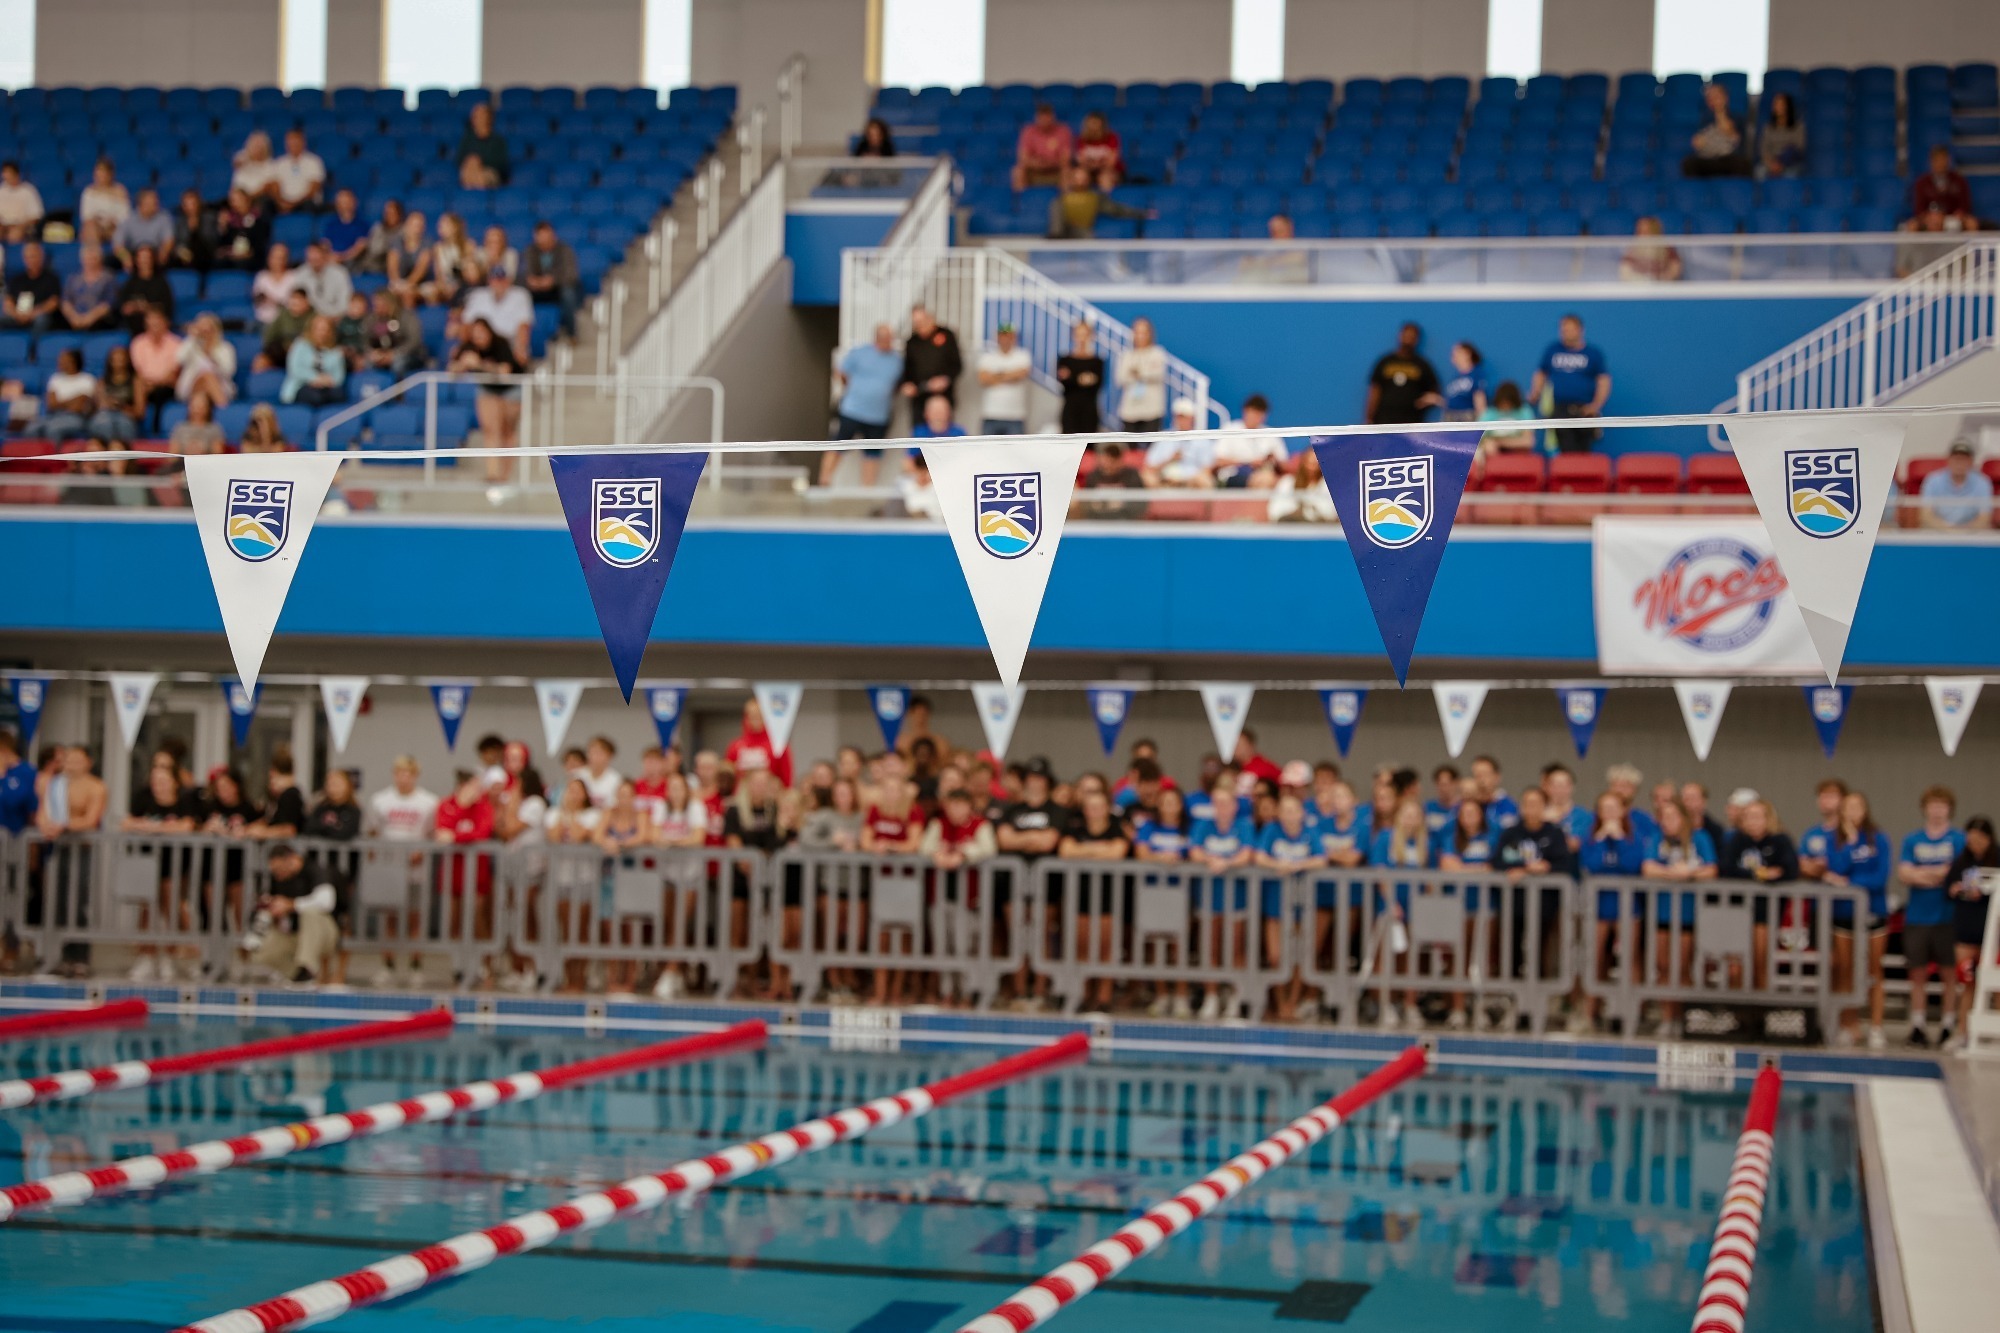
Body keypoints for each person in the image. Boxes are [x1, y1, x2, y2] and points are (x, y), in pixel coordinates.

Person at [1897, 786, 1966, 1047]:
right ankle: (1917, 1023)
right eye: (1933, 805)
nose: (1937, 810)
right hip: (1917, 915)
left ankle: (1948, 1024)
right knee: (1918, 974)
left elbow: (1956, 873)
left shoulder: (1958, 839)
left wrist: (1922, 873)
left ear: (1949, 809)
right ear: (1925, 808)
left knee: (1950, 974)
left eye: (1942, 805)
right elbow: (1904, 874)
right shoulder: (1913, 839)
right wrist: (1938, 874)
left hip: (1948, 916)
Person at [241, 844, 346, 985]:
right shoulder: (279, 880)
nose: (278, 875)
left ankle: (308, 967)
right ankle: (299, 976)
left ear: (290, 859)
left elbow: (326, 902)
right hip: (296, 935)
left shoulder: (315, 870)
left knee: (310, 913)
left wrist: (291, 905)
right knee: (261, 952)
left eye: (279, 869)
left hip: (326, 932)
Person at [823, 321, 902, 487]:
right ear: (876, 338)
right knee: (838, 445)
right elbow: (840, 371)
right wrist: (854, 387)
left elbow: (895, 384)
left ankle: (867, 492)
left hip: (878, 416)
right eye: (884, 338)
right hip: (852, 410)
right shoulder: (860, 352)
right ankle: (824, 482)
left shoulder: (896, 360)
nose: (888, 341)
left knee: (872, 454)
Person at [451, 318, 524, 495]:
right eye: (475, 334)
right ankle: (492, 474)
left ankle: (505, 476)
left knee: (508, 431)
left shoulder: (501, 344)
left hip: (510, 389)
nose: (478, 337)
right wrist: (462, 363)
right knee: (490, 429)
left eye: (481, 333)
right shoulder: (468, 347)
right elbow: (452, 370)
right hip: (487, 389)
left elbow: (505, 373)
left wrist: (479, 364)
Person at [1947, 816, 1997, 1047]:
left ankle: (1994, 1032)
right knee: (1966, 982)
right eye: (1971, 839)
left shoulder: (1997, 860)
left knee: (1995, 984)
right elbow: (1948, 888)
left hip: (1993, 931)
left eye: (1979, 839)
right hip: (1966, 931)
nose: (1974, 843)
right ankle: (1962, 1031)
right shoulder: (1961, 862)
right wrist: (1957, 889)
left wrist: (1985, 892)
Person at [1528, 313, 1611, 452]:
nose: (1566, 333)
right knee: (1566, 449)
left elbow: (1603, 381)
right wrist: (1536, 392)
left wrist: (1596, 405)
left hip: (1584, 409)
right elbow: (1541, 373)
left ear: (1580, 330)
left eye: (1570, 329)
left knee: (1584, 450)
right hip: (1560, 408)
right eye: (1563, 329)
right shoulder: (1553, 350)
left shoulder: (1592, 353)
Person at [455, 261, 534, 366]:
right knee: (461, 356)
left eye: (501, 279)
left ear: (508, 280)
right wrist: (463, 349)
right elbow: (466, 326)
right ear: (489, 280)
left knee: (518, 357)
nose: (498, 283)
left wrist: (521, 348)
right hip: (483, 348)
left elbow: (524, 327)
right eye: (495, 279)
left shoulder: (520, 295)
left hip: (508, 347)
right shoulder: (478, 295)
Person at [1046, 162, 1149, 239]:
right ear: (1071, 180)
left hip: (1082, 232)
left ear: (1088, 179)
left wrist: (1140, 213)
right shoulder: (1062, 198)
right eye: (1077, 178)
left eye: (1083, 178)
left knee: (1088, 237)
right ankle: (1056, 235)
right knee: (1056, 204)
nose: (1080, 182)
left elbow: (1116, 209)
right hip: (1062, 231)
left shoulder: (1094, 197)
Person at [1365, 322, 1439, 425]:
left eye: (1412, 336)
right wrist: (1369, 418)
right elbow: (1375, 390)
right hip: (1384, 421)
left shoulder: (1422, 365)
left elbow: (1434, 391)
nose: (1409, 339)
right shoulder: (1385, 362)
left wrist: (1423, 403)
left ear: (1417, 340)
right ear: (1400, 336)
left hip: (1412, 422)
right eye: (1407, 335)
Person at [1213, 393, 1287, 488]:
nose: (1255, 417)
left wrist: (1273, 459)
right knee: (1263, 480)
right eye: (1253, 412)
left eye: (1259, 413)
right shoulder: (1230, 429)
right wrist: (1248, 462)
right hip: (1233, 476)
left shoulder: (1271, 434)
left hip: (1264, 476)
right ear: (1245, 411)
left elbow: (1284, 464)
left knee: (1273, 480)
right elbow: (1219, 461)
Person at [521, 220, 580, 338]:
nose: (544, 239)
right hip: (535, 289)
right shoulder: (529, 251)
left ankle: (571, 332)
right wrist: (533, 281)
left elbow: (571, 274)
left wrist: (552, 280)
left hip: (558, 289)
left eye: (546, 236)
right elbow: (524, 272)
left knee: (568, 294)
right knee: (520, 294)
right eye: (540, 236)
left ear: (553, 235)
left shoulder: (565, 250)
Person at [1918, 439, 1993, 529]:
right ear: (1948, 460)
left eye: (1964, 459)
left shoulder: (1982, 482)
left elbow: (1984, 517)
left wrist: (1963, 533)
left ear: (1971, 461)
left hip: (1972, 535)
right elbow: (1926, 515)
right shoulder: (1933, 480)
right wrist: (1949, 531)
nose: (1959, 463)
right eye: (1956, 458)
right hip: (1938, 533)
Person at [1682, 81, 1750, 178]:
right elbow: (1699, 142)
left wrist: (1719, 111)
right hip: (1709, 159)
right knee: (1688, 163)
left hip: (1727, 159)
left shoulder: (1737, 117)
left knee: (1741, 164)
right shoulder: (1705, 120)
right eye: (1710, 98)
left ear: (1725, 97)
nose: (1713, 100)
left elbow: (1731, 133)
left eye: (1716, 96)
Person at [900, 305, 962, 408]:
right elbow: (907, 369)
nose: (919, 325)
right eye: (916, 323)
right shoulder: (912, 342)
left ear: (930, 318)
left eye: (922, 321)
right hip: (919, 398)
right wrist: (907, 384)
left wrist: (945, 379)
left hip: (942, 397)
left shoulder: (946, 335)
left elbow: (956, 365)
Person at [1113, 316, 1167, 433]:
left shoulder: (1157, 353)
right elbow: (1121, 378)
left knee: (1151, 448)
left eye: (1144, 332)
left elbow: (1158, 373)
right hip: (1130, 410)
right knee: (1130, 449)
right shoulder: (1127, 355)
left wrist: (1138, 372)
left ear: (1150, 334)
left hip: (1152, 410)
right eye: (1137, 332)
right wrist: (1144, 372)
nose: (1140, 336)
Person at [977, 322, 1032, 434]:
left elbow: (1021, 374)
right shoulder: (988, 356)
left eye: (1008, 335)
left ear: (1014, 337)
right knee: (988, 449)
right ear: (997, 337)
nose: (1005, 339)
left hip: (1015, 415)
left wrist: (995, 376)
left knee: (1015, 451)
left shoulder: (1022, 355)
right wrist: (1010, 375)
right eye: (1002, 335)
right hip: (991, 414)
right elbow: (983, 378)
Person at [1056, 320, 1106, 434]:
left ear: (1091, 336)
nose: (1082, 339)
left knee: (1089, 447)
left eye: (1085, 335)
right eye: (1079, 334)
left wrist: (1072, 377)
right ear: (1073, 336)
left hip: (1089, 412)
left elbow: (1097, 384)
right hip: (1070, 412)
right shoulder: (1065, 360)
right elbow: (1064, 384)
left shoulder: (1097, 362)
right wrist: (1083, 379)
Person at [363, 288, 427, 378]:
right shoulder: (372, 319)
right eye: (375, 305)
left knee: (398, 364)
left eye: (379, 305)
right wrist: (373, 353)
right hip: (382, 355)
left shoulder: (407, 316)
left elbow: (414, 341)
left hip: (410, 355)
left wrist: (394, 354)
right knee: (369, 363)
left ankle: (399, 392)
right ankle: (377, 390)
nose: (376, 308)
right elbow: (366, 340)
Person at [177, 312, 236, 405]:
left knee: (208, 378)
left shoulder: (225, 348)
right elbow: (180, 359)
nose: (206, 333)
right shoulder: (192, 345)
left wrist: (212, 357)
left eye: (208, 330)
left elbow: (229, 372)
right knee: (206, 376)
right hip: (192, 386)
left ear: (215, 330)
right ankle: (224, 411)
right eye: (202, 330)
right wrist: (192, 338)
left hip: (220, 386)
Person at [1912, 145, 1977, 229]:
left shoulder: (1959, 180)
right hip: (1931, 217)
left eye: (1943, 159)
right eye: (1937, 160)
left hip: (1953, 216)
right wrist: (1928, 217)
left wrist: (1959, 214)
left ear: (1948, 160)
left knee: (1971, 223)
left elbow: (1965, 205)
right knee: (1912, 226)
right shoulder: (1921, 183)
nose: (1941, 163)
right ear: (1931, 162)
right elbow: (1919, 209)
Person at [41, 350, 98, 443]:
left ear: (73, 361)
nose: (59, 361)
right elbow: (51, 404)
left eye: (63, 359)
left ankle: (54, 457)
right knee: (32, 428)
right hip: (54, 416)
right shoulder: (55, 379)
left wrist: (60, 403)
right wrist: (75, 399)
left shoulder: (87, 379)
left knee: (53, 429)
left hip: (77, 418)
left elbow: (79, 407)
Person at [1012, 103, 1073, 191]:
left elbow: (1066, 158)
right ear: (1036, 117)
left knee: (1067, 170)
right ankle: (1021, 201)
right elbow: (1023, 158)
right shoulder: (1028, 131)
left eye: (1047, 117)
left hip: (1056, 170)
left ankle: (1064, 201)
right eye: (1041, 117)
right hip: (1034, 170)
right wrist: (1036, 163)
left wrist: (1050, 163)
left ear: (1053, 117)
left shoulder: (1063, 131)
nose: (1044, 120)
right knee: (1018, 171)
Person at [112, 187, 175, 272]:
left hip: (155, 253)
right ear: (142, 204)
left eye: (156, 203)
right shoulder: (128, 219)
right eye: (153, 203)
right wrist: (124, 257)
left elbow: (169, 241)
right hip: (135, 253)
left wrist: (164, 252)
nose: (157, 205)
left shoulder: (164, 218)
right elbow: (117, 244)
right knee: (109, 261)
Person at [91, 346, 142, 445]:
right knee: (103, 422)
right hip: (105, 414)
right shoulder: (102, 382)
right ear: (110, 361)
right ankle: (104, 454)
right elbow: (97, 407)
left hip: (126, 415)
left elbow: (140, 411)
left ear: (127, 360)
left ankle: (122, 454)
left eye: (121, 358)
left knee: (122, 423)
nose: (118, 361)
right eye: (115, 358)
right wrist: (106, 403)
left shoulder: (136, 381)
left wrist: (121, 406)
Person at [1268, 444, 1334, 521]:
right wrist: (1295, 511)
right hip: (1290, 526)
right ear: (1303, 462)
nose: (1312, 468)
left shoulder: (1326, 485)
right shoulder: (1287, 482)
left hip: (1318, 527)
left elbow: (1330, 512)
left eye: (1315, 464)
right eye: (1309, 463)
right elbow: (1275, 510)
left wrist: (1308, 510)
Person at [59, 246, 117, 331]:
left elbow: (108, 304)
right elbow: (65, 302)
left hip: (99, 321)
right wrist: (74, 318)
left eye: (94, 258)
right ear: (82, 260)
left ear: (100, 259)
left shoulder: (108, 278)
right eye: (87, 258)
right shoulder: (73, 278)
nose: (90, 262)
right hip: (74, 320)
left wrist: (88, 319)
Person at [115, 247, 173, 333]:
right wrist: (131, 307)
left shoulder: (161, 283)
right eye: (142, 258)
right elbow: (123, 307)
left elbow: (166, 307)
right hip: (133, 329)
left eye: (147, 258)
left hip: (156, 328)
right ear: (137, 260)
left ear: (152, 260)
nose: (144, 261)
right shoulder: (130, 283)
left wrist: (145, 307)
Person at [77, 158, 132, 246]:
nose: (100, 176)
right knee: (90, 227)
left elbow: (125, 217)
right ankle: (95, 255)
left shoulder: (120, 191)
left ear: (110, 174)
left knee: (119, 231)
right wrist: (100, 223)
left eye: (104, 173)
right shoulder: (89, 192)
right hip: (96, 227)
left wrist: (111, 223)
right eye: (98, 173)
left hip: (114, 227)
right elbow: (86, 216)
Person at [456, 101, 511, 189]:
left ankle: (478, 200)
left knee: (480, 177)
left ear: (488, 118)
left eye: (480, 116)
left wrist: (480, 162)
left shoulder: (498, 140)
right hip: (470, 170)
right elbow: (458, 160)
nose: (476, 119)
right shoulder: (467, 139)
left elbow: (502, 163)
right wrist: (470, 161)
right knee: (467, 173)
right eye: (475, 116)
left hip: (490, 172)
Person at [270, 129, 327, 213]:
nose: (293, 144)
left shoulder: (314, 161)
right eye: (290, 142)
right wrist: (280, 202)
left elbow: (314, 189)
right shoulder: (279, 163)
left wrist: (294, 204)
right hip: (284, 202)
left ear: (303, 142)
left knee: (308, 205)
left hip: (305, 201)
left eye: (296, 141)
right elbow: (275, 186)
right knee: (267, 204)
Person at [258, 286, 313, 371]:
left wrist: (296, 346)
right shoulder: (283, 314)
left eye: (299, 301)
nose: (295, 304)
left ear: (306, 302)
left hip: (306, 353)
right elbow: (269, 335)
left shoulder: (314, 316)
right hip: (283, 352)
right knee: (261, 361)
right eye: (293, 301)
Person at [295, 239, 353, 319]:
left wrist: (334, 317)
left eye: (316, 257)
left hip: (335, 318)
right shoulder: (300, 274)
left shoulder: (340, 273)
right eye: (310, 258)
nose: (313, 259)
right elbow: (297, 301)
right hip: (308, 319)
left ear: (325, 256)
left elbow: (345, 302)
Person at [387, 209, 434, 305]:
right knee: (388, 295)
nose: (417, 229)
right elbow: (392, 266)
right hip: (399, 283)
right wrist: (397, 283)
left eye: (420, 225)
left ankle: (410, 319)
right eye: (414, 225)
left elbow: (421, 269)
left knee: (409, 295)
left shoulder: (427, 243)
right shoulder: (397, 242)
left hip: (421, 284)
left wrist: (408, 285)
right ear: (407, 225)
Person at [214, 187, 268, 269]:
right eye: (232, 201)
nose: (234, 204)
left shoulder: (258, 219)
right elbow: (223, 244)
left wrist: (247, 253)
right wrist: (223, 227)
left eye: (237, 200)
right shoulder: (231, 221)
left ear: (247, 200)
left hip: (251, 257)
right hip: (233, 255)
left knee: (241, 264)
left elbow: (260, 245)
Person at [1619, 216, 1684, 283]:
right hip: (1639, 288)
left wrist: (1661, 281)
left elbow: (1674, 270)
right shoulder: (1632, 251)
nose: (1642, 235)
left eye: (1646, 232)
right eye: (1640, 231)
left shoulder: (1668, 250)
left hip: (1662, 289)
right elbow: (1625, 271)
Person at [1760, 92, 1807, 179]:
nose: (1777, 107)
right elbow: (1764, 150)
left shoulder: (1798, 127)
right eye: (1775, 104)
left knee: (1791, 174)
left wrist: (1782, 162)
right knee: (1759, 173)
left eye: (1781, 104)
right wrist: (1771, 164)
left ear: (1787, 107)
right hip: (1772, 163)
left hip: (1790, 163)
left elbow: (1799, 147)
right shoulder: (1768, 127)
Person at [1073, 111, 1124, 190]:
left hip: (1110, 171)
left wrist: (1096, 165)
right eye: (1091, 124)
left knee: (1105, 178)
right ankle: (1081, 201)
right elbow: (1081, 161)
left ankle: (1106, 201)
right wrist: (1093, 165)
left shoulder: (1112, 138)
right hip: (1090, 171)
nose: (1094, 127)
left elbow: (1111, 162)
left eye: (1096, 124)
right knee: (1079, 175)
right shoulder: (1081, 139)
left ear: (1102, 125)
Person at [252, 242, 298, 327]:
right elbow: (258, 300)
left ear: (287, 259)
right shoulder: (261, 277)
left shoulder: (293, 277)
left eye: (281, 258)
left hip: (287, 323)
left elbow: (294, 304)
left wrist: (274, 301)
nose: (277, 261)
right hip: (262, 322)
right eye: (274, 257)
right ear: (269, 258)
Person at [170, 187, 215, 272]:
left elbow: (211, 241)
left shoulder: (209, 218)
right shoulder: (180, 222)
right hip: (185, 256)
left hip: (206, 255)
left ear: (198, 203)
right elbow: (178, 242)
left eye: (193, 204)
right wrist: (182, 253)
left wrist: (196, 226)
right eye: (187, 204)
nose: (190, 208)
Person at [1439, 342, 1488, 420]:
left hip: (1467, 416)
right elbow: (1451, 401)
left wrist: (1481, 420)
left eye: (1457, 352)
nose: (1454, 356)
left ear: (1467, 353)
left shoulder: (1476, 374)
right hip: (1450, 416)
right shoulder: (1454, 379)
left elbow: (1479, 397)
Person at [321, 188, 370, 267]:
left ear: (354, 203)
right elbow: (325, 244)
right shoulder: (331, 224)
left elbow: (360, 247)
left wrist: (341, 258)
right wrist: (329, 256)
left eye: (346, 202)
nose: (344, 205)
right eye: (341, 202)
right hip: (331, 260)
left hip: (352, 263)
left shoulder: (363, 224)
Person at [0, 160, 44, 242]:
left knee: (14, 235)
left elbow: (35, 216)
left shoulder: (28, 190)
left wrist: (21, 226)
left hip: (21, 225)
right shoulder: (1, 191)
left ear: (16, 174)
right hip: (3, 225)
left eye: (9, 173)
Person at [358, 198, 403, 275]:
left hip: (396, 267)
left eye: (393, 213)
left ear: (399, 214)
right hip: (373, 265)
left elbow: (402, 250)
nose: (389, 216)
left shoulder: (404, 229)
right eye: (387, 213)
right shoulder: (378, 228)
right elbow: (375, 249)